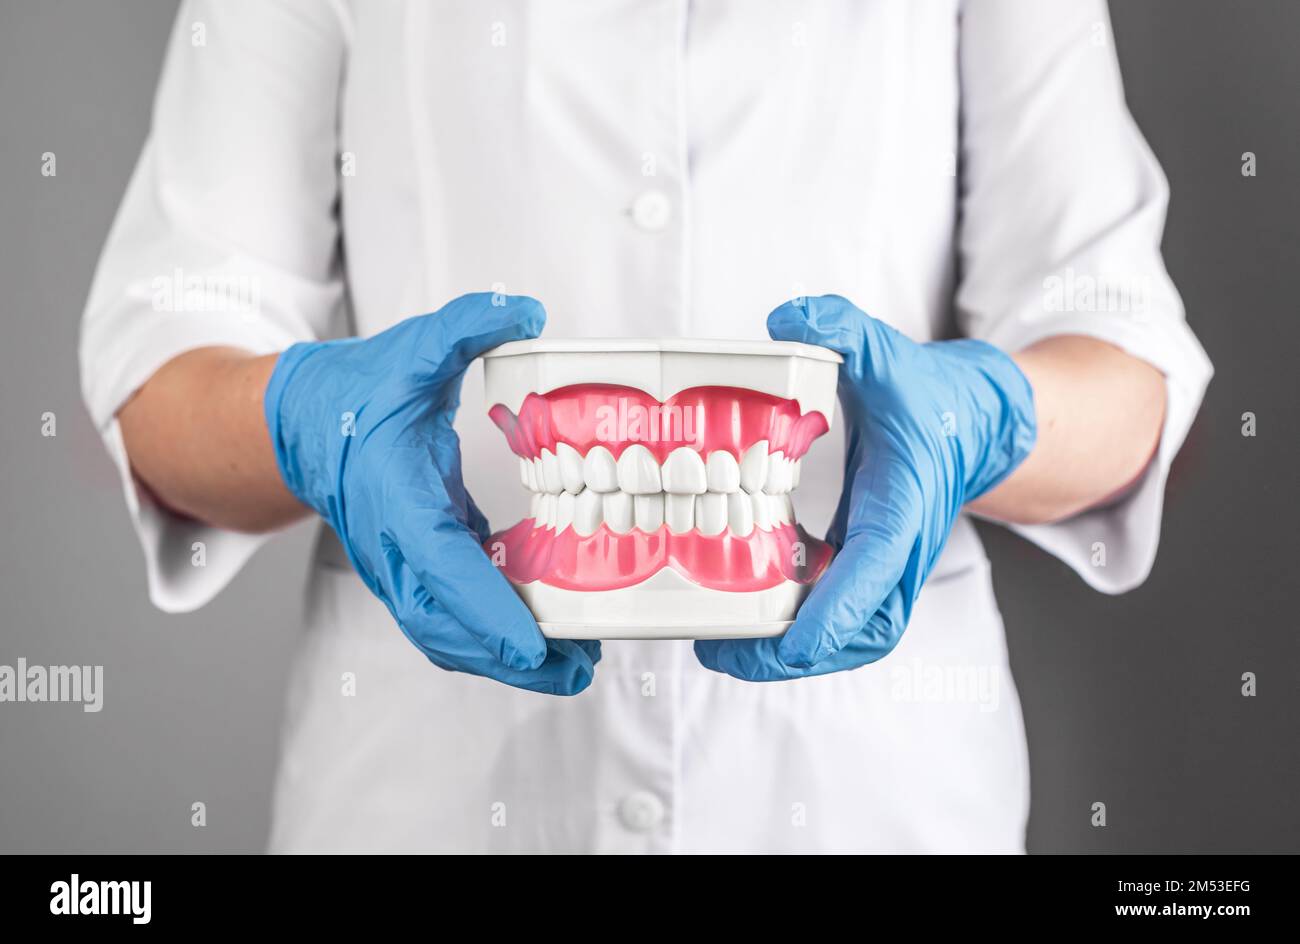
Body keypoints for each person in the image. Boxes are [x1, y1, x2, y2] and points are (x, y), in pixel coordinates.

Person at [81, 0, 1211, 853]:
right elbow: (168, 352)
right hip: (424, 798)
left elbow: (1117, 347)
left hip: (877, 795)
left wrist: (985, 418)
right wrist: (304, 424)